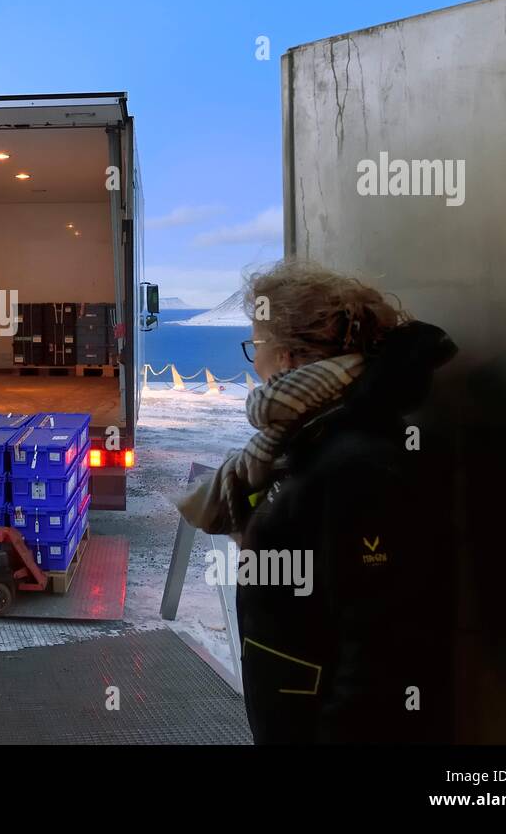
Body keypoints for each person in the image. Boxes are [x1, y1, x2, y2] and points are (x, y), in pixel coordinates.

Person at [174, 259, 457, 744]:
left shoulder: (356, 462)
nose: (252, 360)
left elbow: (382, 648)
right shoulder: (305, 440)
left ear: (286, 356)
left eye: (255, 344)